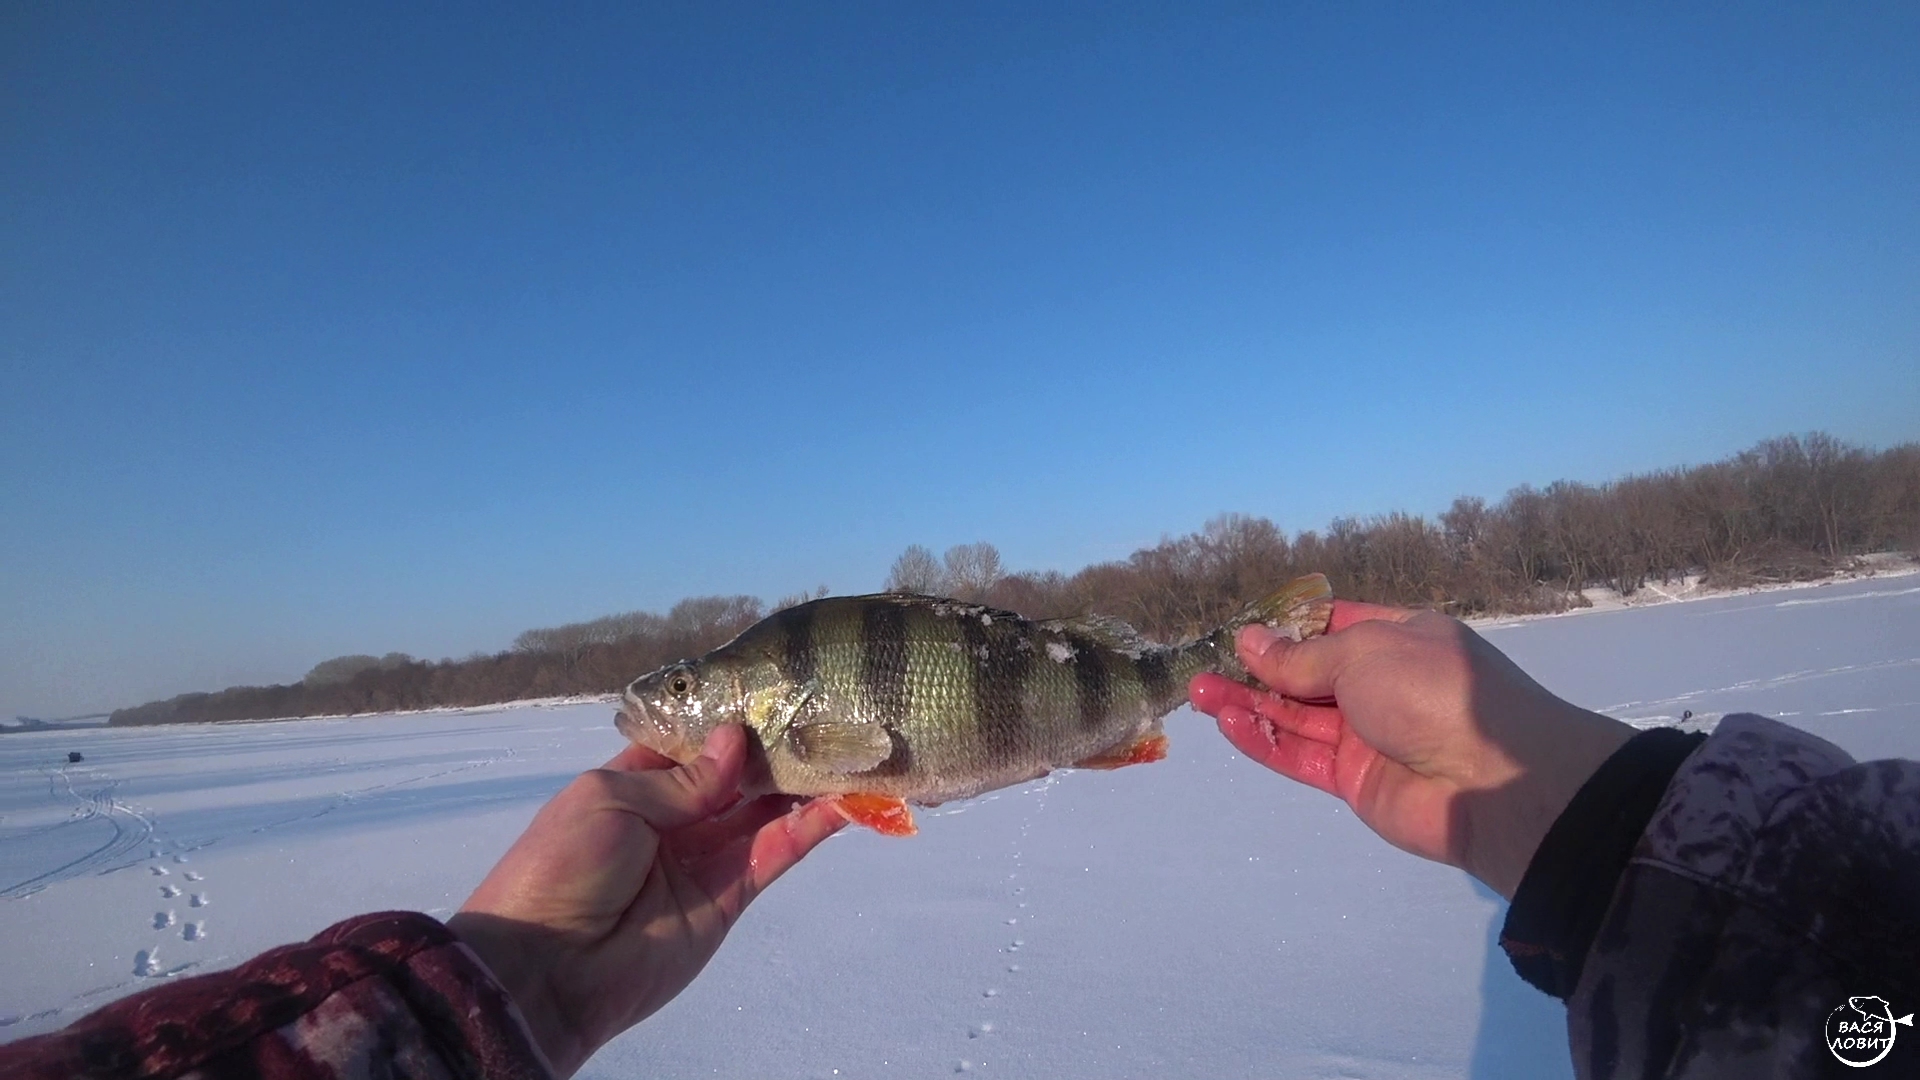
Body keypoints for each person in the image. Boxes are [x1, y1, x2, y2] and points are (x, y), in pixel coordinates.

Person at [5, 598, 1917, 1078]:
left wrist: (491, 984)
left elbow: (877, 737)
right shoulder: (782, 718)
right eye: (681, 705)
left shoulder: (798, 704)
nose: (666, 723)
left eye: (682, 699)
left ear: (737, 704)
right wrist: (496, 982)